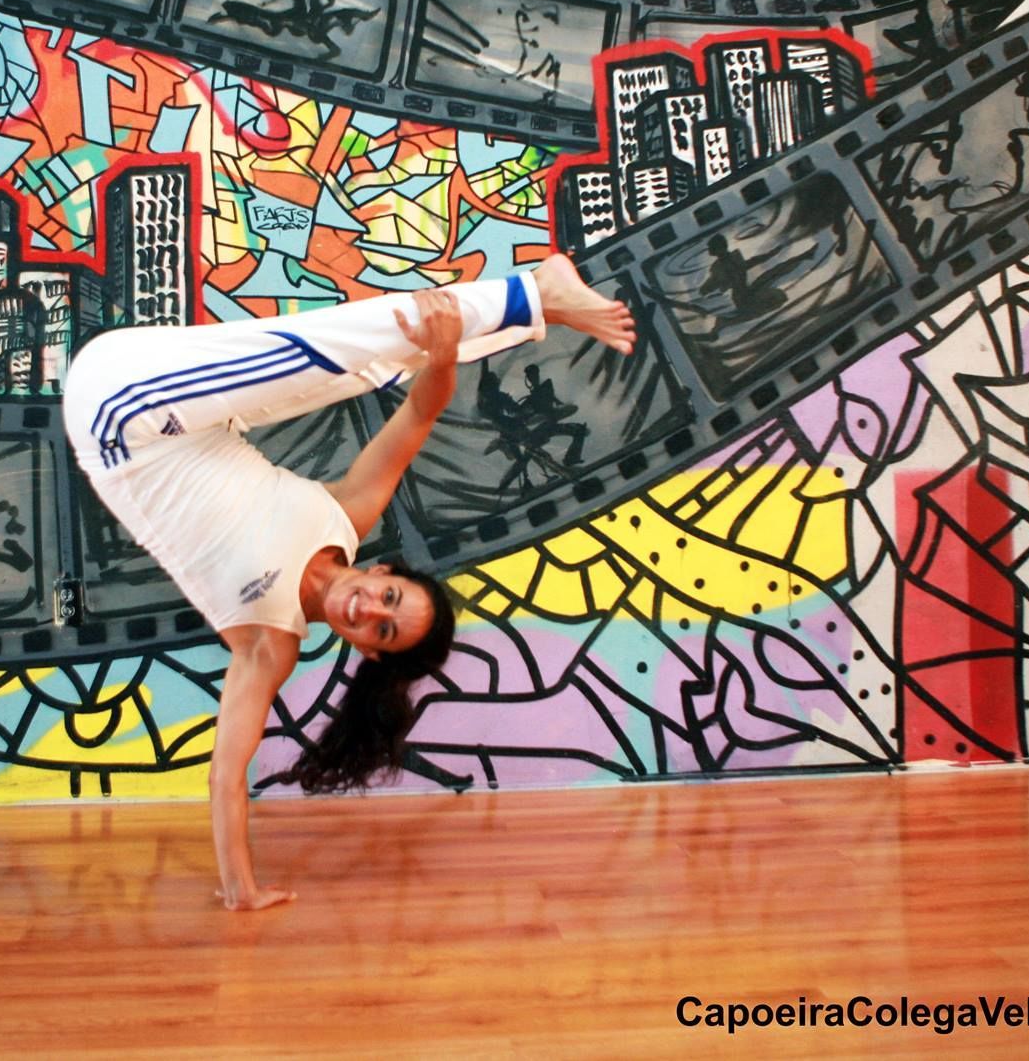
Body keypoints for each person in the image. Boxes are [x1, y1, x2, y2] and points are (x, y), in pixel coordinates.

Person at [63, 254, 634, 910]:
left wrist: (241, 889)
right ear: (381, 572)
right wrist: (442, 357)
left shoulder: (269, 639)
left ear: (366, 649)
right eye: (389, 597)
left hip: (121, 420)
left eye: (381, 630)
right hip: (185, 406)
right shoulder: (345, 516)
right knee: (370, 362)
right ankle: (531, 307)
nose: (368, 608)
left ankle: (533, 295)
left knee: (325, 350)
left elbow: (226, 773)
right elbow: (418, 415)